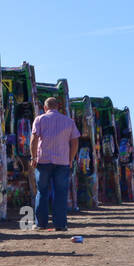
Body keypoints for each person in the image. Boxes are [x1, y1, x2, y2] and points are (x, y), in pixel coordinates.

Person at [30, 96, 80, 232]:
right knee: (61, 193)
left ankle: (41, 224)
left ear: (45, 108)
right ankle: (60, 224)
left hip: (43, 161)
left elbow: (34, 139)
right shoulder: (69, 122)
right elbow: (75, 141)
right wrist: (70, 159)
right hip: (62, 162)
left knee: (42, 191)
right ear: (57, 107)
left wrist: (33, 157)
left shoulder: (39, 119)